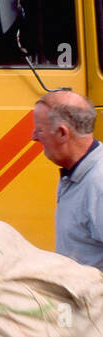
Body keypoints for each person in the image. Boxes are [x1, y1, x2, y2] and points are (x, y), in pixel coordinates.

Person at [31, 88, 103, 268]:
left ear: (62, 133)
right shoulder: (74, 172)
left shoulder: (98, 185)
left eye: (39, 130)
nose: (33, 137)